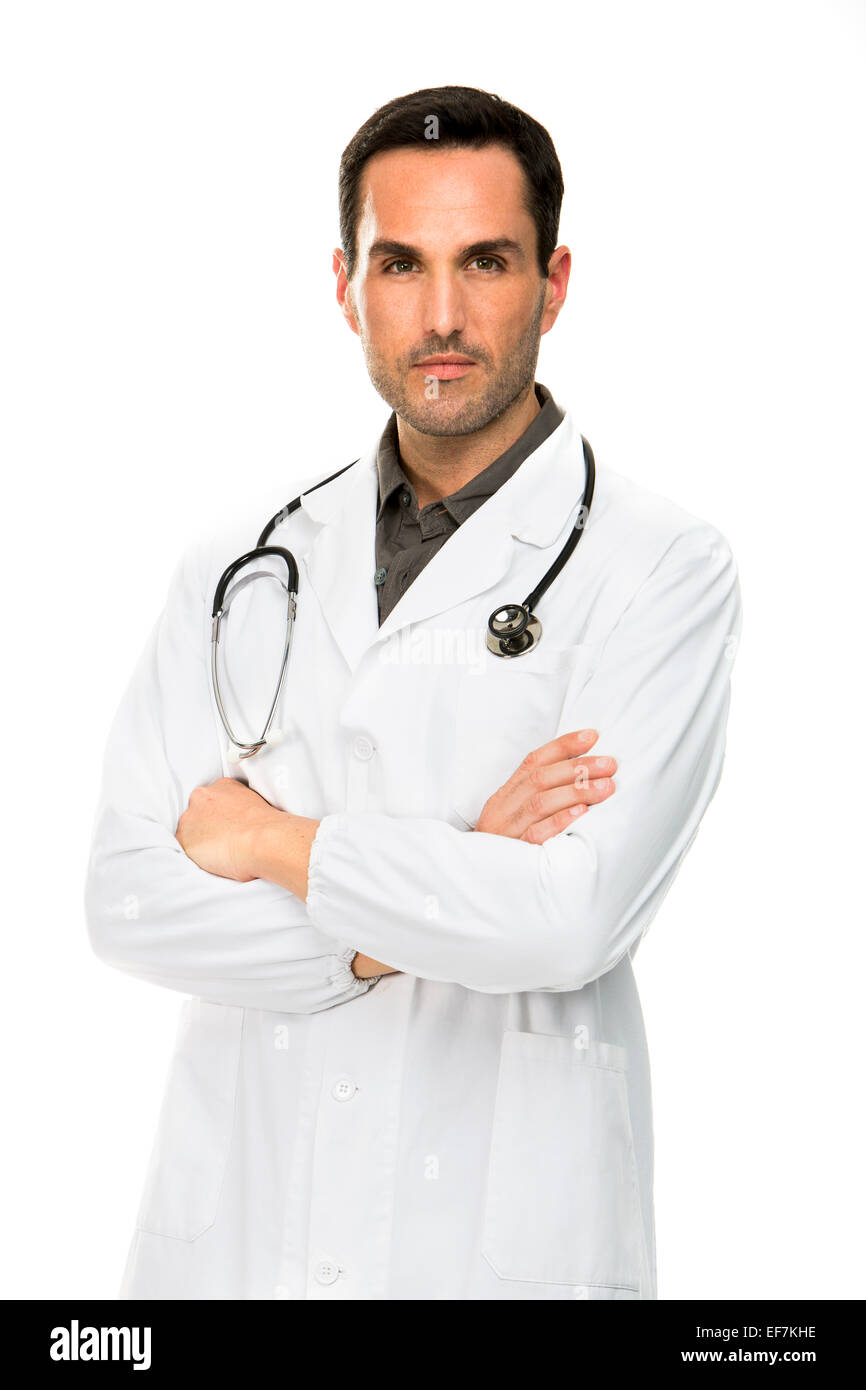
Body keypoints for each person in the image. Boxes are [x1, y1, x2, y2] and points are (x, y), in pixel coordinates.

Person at [85, 85, 742, 1301]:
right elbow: (127, 902)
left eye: (483, 261)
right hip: (236, 1237)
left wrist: (271, 840)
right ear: (345, 285)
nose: (441, 316)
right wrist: (445, 882)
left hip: (501, 1250)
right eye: (401, 264)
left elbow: (563, 919)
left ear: (551, 282)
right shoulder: (238, 567)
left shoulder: (660, 565)